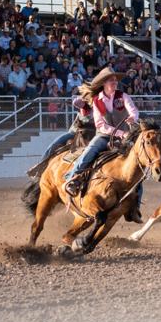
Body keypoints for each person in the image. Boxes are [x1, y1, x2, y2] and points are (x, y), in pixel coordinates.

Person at [63, 68, 142, 220]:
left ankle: (135, 206)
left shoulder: (123, 96)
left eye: (115, 80)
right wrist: (122, 133)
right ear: (104, 83)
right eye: (111, 80)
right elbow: (101, 126)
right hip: (106, 136)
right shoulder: (96, 100)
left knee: (137, 165)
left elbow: (133, 110)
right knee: (90, 151)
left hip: (124, 137)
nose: (114, 82)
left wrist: (133, 117)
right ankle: (72, 179)